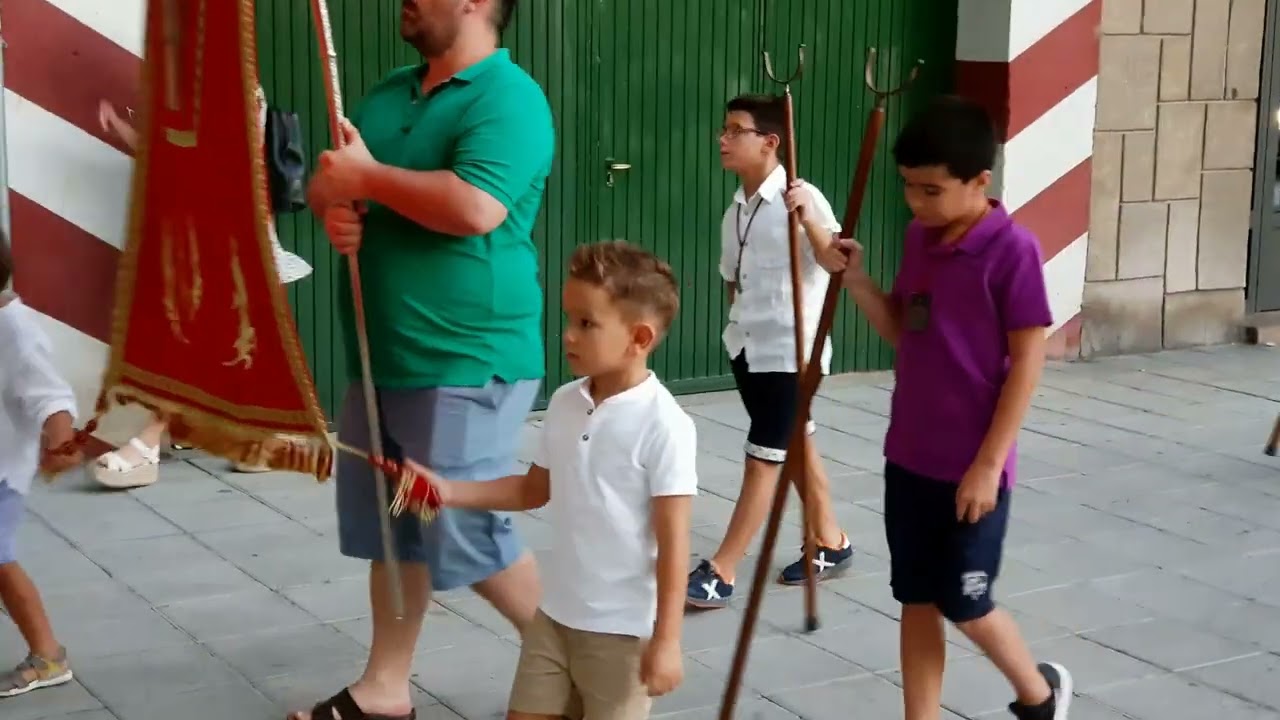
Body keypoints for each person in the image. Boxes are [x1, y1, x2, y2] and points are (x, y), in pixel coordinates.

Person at [298, 0, 554, 717]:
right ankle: (384, 688)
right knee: (395, 526)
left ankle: (583, 666)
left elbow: (475, 207)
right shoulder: (385, 92)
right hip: (383, 354)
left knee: (462, 525)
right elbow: (328, 179)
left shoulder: (512, 100)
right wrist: (335, 204)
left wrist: (368, 182)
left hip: (467, 354)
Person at [839, 95, 1072, 720]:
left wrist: (988, 465)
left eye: (932, 190)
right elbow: (901, 328)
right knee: (916, 597)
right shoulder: (921, 239)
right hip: (909, 455)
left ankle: (1041, 695)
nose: (916, 204)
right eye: (909, 188)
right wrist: (858, 279)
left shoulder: (1011, 251)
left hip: (973, 466)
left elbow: (1028, 361)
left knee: (966, 602)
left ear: (980, 181)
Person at [422, 240, 695, 720]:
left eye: (586, 324)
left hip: (623, 637)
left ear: (640, 338)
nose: (568, 336)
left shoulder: (665, 425)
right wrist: (448, 492)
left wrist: (668, 641)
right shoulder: (568, 402)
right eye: (569, 319)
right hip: (554, 620)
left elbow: (675, 544)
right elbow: (532, 491)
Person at [94, 86, 314, 485]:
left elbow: (207, 161)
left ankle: (152, 441)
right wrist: (126, 130)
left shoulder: (232, 82)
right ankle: (260, 439)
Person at [686, 94, 853, 610]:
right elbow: (729, 281)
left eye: (736, 130)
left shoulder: (802, 197)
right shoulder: (735, 210)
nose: (723, 139)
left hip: (790, 354)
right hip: (747, 346)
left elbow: (835, 260)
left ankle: (724, 568)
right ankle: (831, 541)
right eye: (724, 129)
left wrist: (807, 221)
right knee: (794, 439)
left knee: (764, 456)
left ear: (770, 142)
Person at [0, 234, 82, 698]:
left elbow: (50, 395)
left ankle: (48, 655)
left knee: (0, 560)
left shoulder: (15, 329)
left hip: (2, 473)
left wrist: (60, 439)